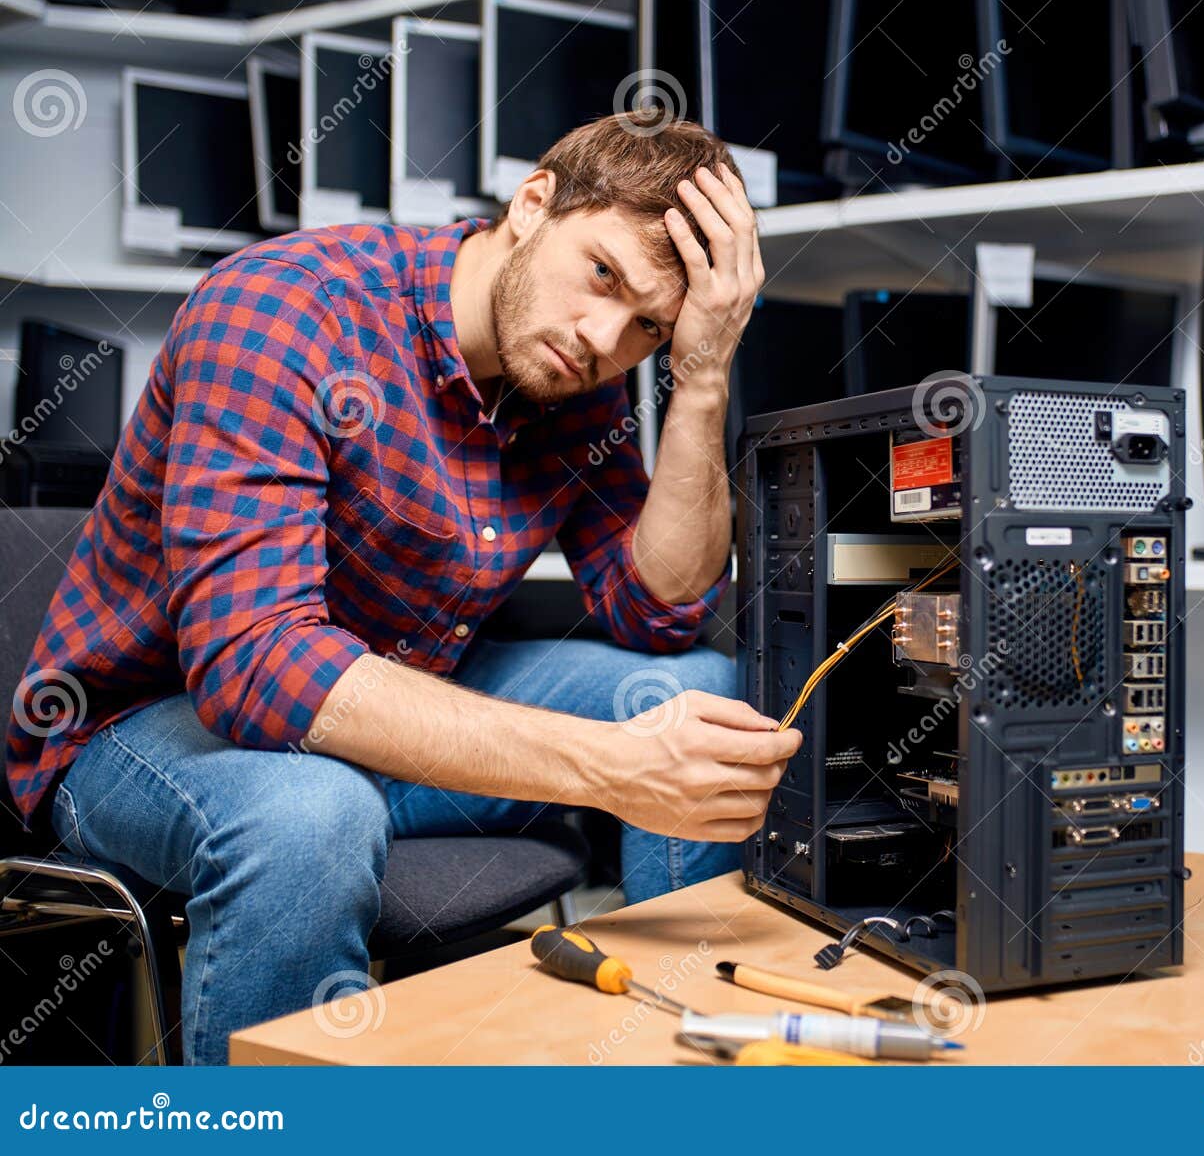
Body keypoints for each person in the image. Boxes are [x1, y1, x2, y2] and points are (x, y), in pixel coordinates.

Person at [4, 111, 801, 1065]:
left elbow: (658, 610)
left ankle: (678, 1061)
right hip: (147, 732)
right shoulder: (283, 309)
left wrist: (702, 374)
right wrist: (607, 765)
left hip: (390, 717)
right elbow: (256, 666)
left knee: (699, 693)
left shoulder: (569, 372)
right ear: (534, 202)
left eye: (649, 328)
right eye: (602, 274)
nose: (603, 337)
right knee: (311, 816)